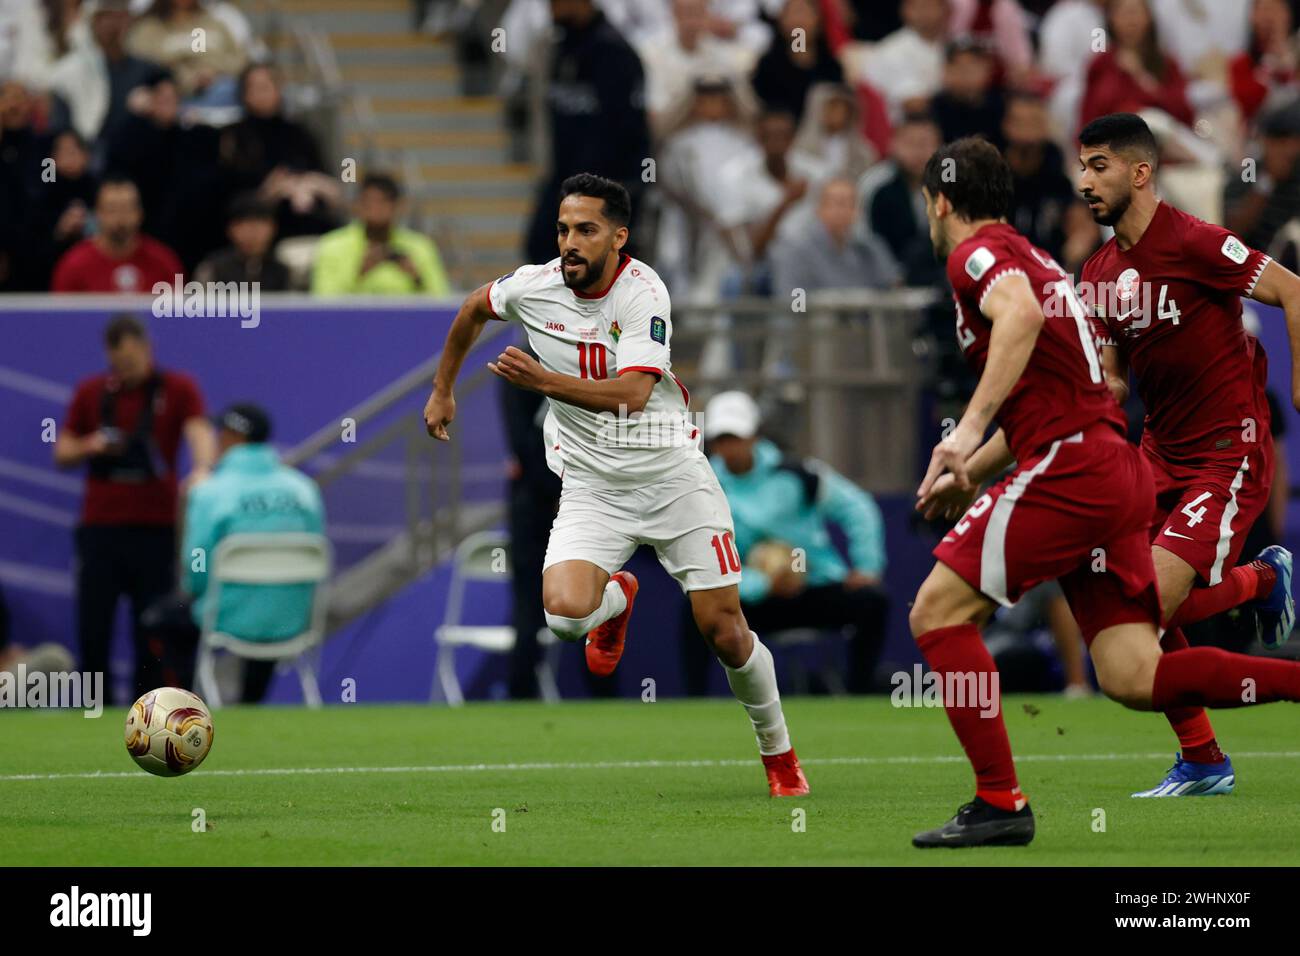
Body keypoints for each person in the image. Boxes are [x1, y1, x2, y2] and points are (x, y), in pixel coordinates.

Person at [909, 136, 1300, 848]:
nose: (1087, 182)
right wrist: (978, 470)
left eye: (1100, 166)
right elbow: (1080, 384)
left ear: (939, 201)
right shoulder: (1057, 264)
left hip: (1081, 469)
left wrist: (963, 436)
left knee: (935, 612)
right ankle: (1226, 734)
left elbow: (1020, 320)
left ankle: (1000, 801)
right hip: (1119, 462)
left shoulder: (976, 257)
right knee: (1131, 673)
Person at [423, 172, 810, 797]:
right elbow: (472, 308)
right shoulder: (534, 287)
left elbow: (632, 395)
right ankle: (617, 599)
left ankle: (780, 755)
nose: (570, 243)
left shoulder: (642, 293)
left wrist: (543, 383)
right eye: (563, 229)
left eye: (586, 230)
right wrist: (443, 389)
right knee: (565, 617)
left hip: (672, 478)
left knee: (725, 631)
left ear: (618, 237)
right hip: (593, 487)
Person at [1079, 111, 1300, 796]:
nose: (1085, 181)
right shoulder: (1098, 270)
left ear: (1141, 173)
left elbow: (1292, 290)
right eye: (1082, 166)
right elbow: (1116, 369)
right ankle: (1202, 759)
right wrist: (1103, 387)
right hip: (1158, 454)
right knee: (1128, 612)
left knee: (1141, 611)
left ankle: (1264, 581)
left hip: (1224, 455)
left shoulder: (1197, 241)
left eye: (1099, 166)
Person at [680, 391, 889, 695]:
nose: (730, 447)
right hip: (749, 597)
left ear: (754, 435)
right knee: (694, 609)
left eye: (736, 437)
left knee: (874, 600)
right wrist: (763, 584)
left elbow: (858, 507)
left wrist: (867, 566)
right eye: (722, 439)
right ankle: (693, 707)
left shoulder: (799, 473)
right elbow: (702, 558)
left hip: (813, 590)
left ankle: (860, 693)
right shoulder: (704, 485)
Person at [53, 315, 215, 704]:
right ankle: (94, 708)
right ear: (109, 356)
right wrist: (91, 444)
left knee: (153, 626)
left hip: (155, 528)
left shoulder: (178, 388)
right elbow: (62, 450)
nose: (127, 369)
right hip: (101, 528)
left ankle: (152, 709)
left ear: (148, 349)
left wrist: (202, 470)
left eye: (134, 360)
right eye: (119, 363)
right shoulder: (91, 391)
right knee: (94, 625)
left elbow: (198, 431)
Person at [142, 403, 325, 703]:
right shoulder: (304, 490)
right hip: (291, 620)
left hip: (226, 619)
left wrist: (195, 592)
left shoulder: (210, 492)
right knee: (266, 608)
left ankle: (182, 709)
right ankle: (251, 704)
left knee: (159, 619)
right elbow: (316, 549)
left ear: (231, 438)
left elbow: (195, 570)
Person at [311, 173, 450, 296]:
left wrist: (418, 279)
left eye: (383, 201)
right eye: (369, 202)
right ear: (357, 205)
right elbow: (323, 302)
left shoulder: (420, 247)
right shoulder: (332, 246)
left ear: (399, 206)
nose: (376, 208)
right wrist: (359, 274)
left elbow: (441, 300)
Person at [770, 176, 899, 296]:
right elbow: (793, 303)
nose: (845, 210)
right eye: (838, 203)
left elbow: (891, 289)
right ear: (819, 208)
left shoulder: (868, 247)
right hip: (811, 319)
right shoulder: (795, 250)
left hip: (859, 319)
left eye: (852, 204)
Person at [51, 177, 184, 292]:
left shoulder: (164, 262)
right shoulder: (73, 266)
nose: (120, 218)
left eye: (127, 208)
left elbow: (179, 316)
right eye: (112, 209)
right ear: (97, 213)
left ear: (140, 213)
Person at [194, 193, 291, 290]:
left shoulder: (283, 272)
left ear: (273, 228)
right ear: (230, 229)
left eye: (259, 224)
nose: (252, 232)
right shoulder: (213, 268)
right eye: (244, 224)